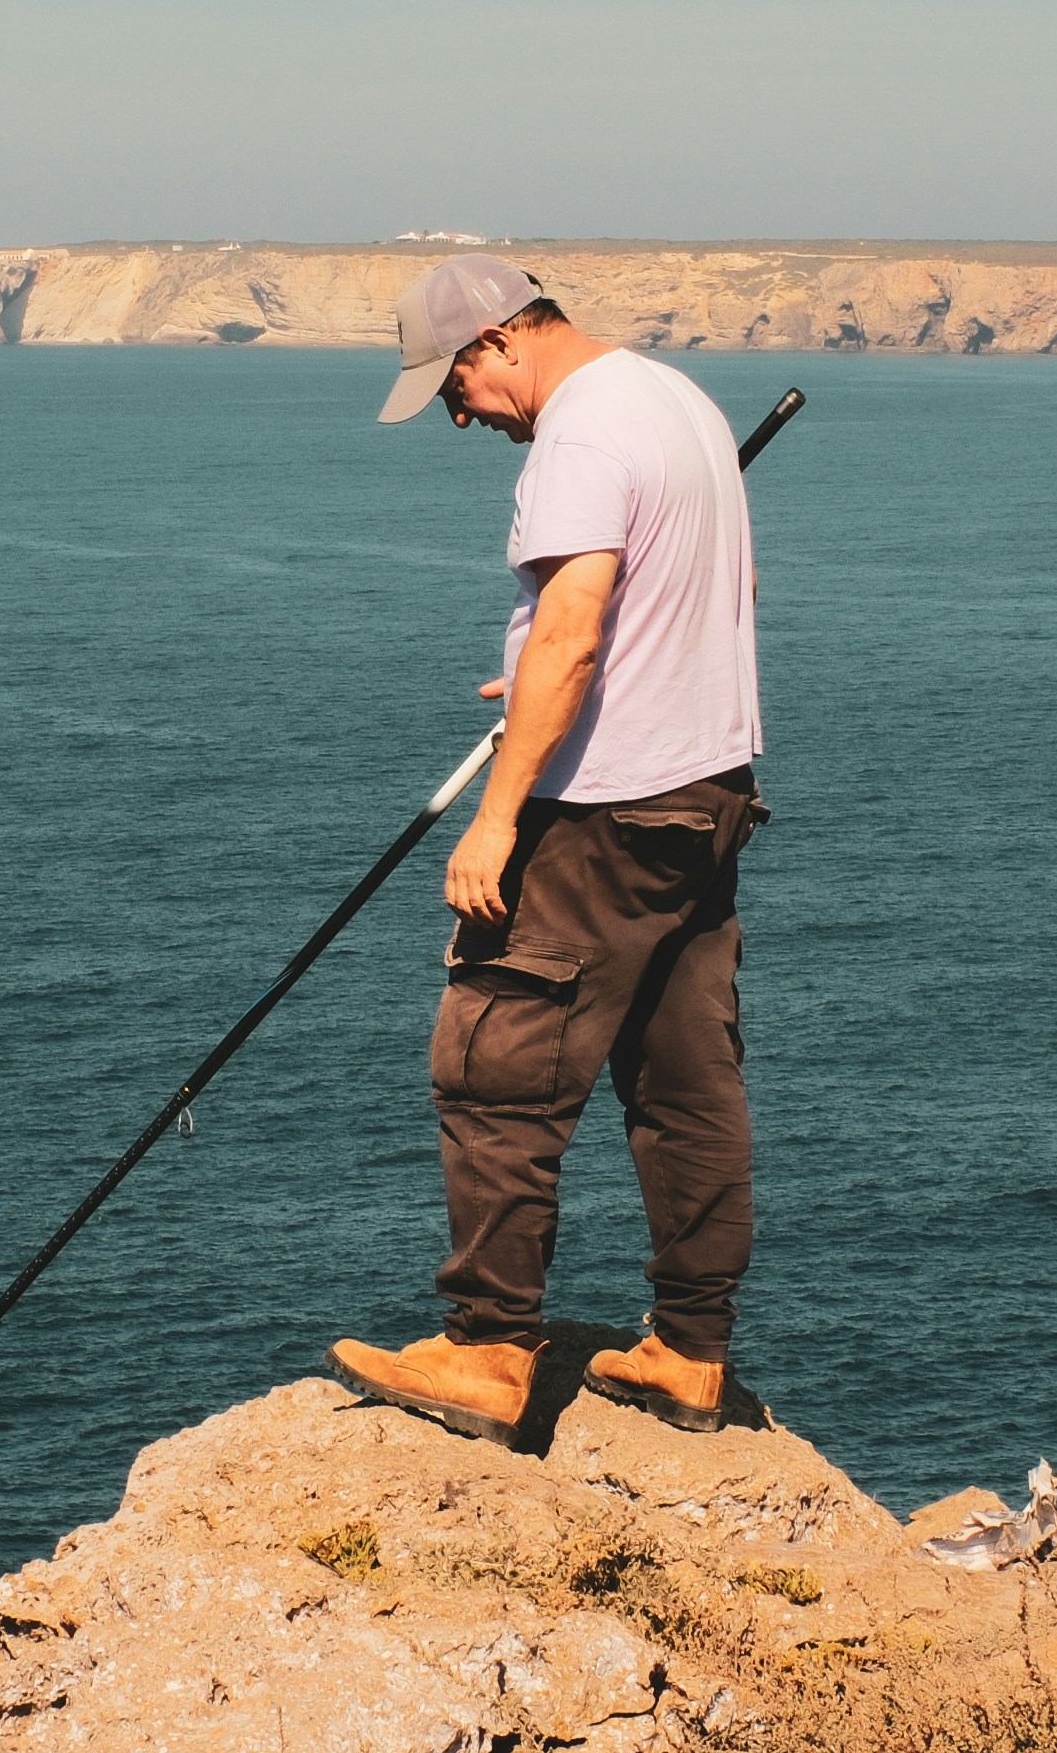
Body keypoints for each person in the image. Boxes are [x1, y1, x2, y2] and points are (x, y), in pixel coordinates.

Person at [328, 255, 769, 1443]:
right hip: (705, 795)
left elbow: (576, 631)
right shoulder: (677, 402)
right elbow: (717, 591)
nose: (461, 418)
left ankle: (486, 1352)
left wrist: (498, 813)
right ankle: (689, 1350)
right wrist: (535, 687)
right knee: (687, 1089)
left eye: (455, 388)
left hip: (601, 816)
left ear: (499, 343)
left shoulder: (576, 438)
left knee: (494, 1064)